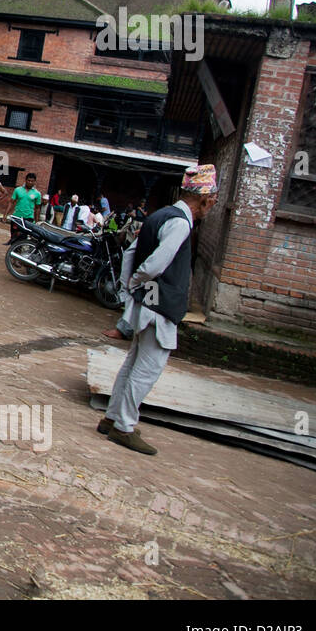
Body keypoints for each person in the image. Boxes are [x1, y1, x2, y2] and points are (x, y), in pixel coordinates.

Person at [99, 165, 218, 455]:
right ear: (203, 200)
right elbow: (155, 265)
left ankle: (112, 418)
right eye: (212, 203)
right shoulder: (181, 223)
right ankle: (124, 427)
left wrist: (130, 290)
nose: (211, 208)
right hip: (160, 306)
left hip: (147, 304)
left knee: (133, 364)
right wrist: (138, 281)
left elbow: (130, 253)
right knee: (147, 369)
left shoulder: (160, 215)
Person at [4, 172, 43, 244]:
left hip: (28, 218)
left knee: (23, 236)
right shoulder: (18, 190)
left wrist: (36, 221)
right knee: (14, 236)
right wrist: (5, 214)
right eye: (29, 180)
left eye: (32, 181)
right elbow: (11, 202)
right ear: (25, 180)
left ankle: (18, 251)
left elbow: (37, 208)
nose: (30, 182)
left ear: (35, 182)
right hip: (16, 217)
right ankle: (13, 251)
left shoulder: (37, 194)